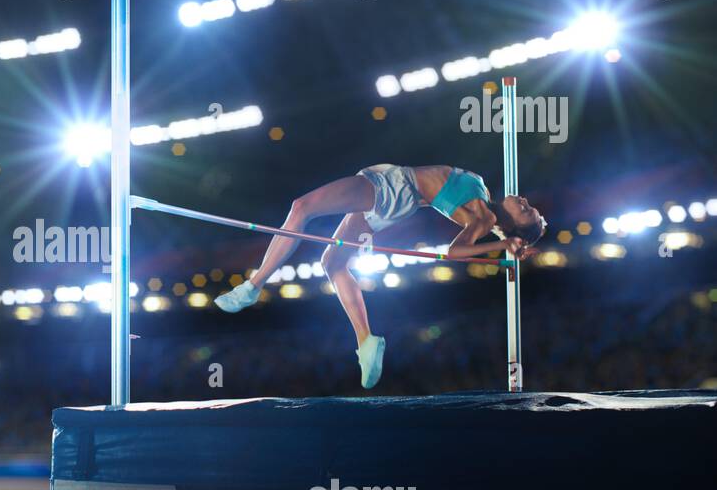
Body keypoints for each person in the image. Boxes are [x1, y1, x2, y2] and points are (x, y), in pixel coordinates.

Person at [214, 163, 545, 388]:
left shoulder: (484, 217)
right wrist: (508, 239)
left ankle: (253, 285)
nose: (526, 201)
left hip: (393, 187)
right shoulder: (484, 200)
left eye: (527, 210)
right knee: (332, 262)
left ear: (512, 226)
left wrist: (505, 243)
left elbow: (452, 251)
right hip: (397, 197)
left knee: (302, 207)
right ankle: (365, 340)